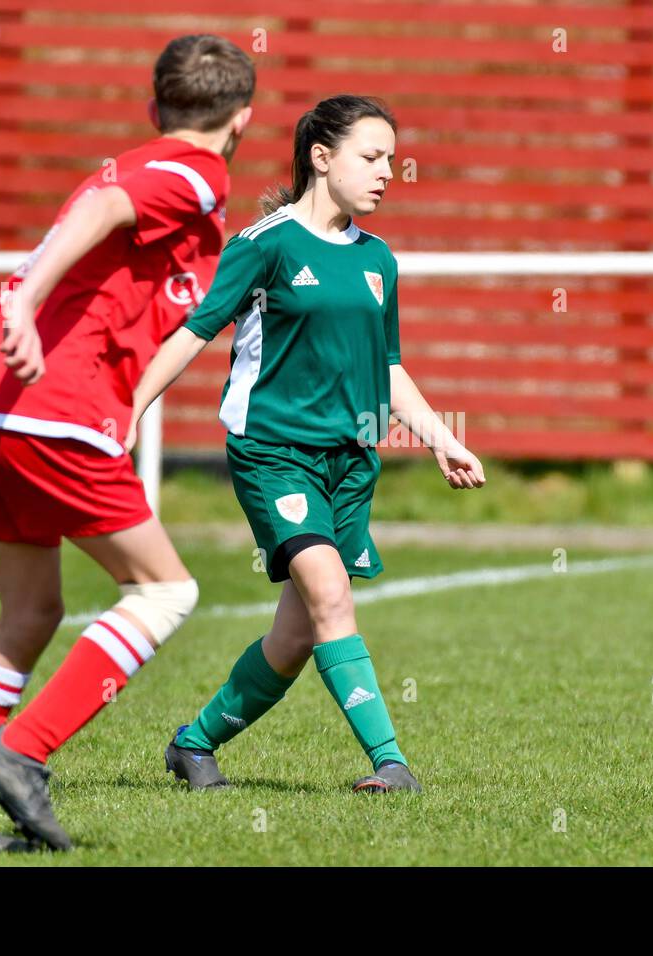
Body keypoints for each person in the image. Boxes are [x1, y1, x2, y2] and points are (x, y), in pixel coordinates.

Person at [0, 34, 255, 852]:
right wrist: (23, 305)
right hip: (52, 406)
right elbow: (107, 210)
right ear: (243, 120)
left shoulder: (135, 168)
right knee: (166, 593)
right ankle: (19, 755)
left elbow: (113, 229)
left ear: (153, 105)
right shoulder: (196, 172)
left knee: (30, 611)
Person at [128, 94, 486, 796]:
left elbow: (386, 368)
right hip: (273, 453)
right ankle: (392, 764)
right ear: (322, 158)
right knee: (329, 595)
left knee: (296, 638)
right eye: (372, 157)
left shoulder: (380, 260)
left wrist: (442, 438)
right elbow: (195, 332)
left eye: (392, 159)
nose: (387, 172)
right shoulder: (264, 246)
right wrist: (134, 405)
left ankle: (193, 743)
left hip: (349, 464)